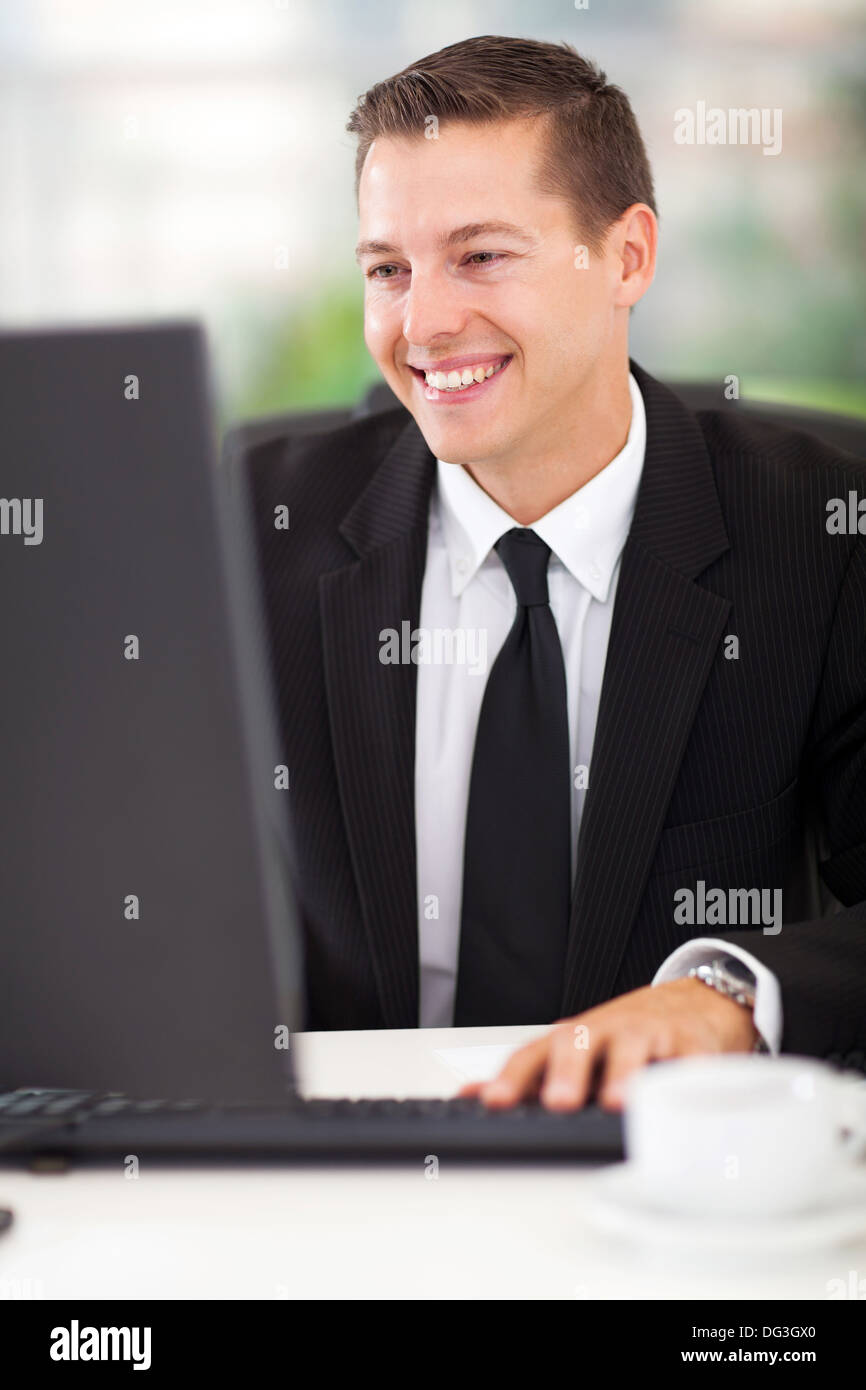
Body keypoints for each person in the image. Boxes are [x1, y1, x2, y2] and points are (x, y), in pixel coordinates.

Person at [244, 35, 866, 1110]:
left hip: (662, 1161)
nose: (422, 324)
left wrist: (725, 991)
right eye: (387, 268)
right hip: (330, 1174)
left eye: (481, 256)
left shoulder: (819, 528)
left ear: (625, 257)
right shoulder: (247, 523)